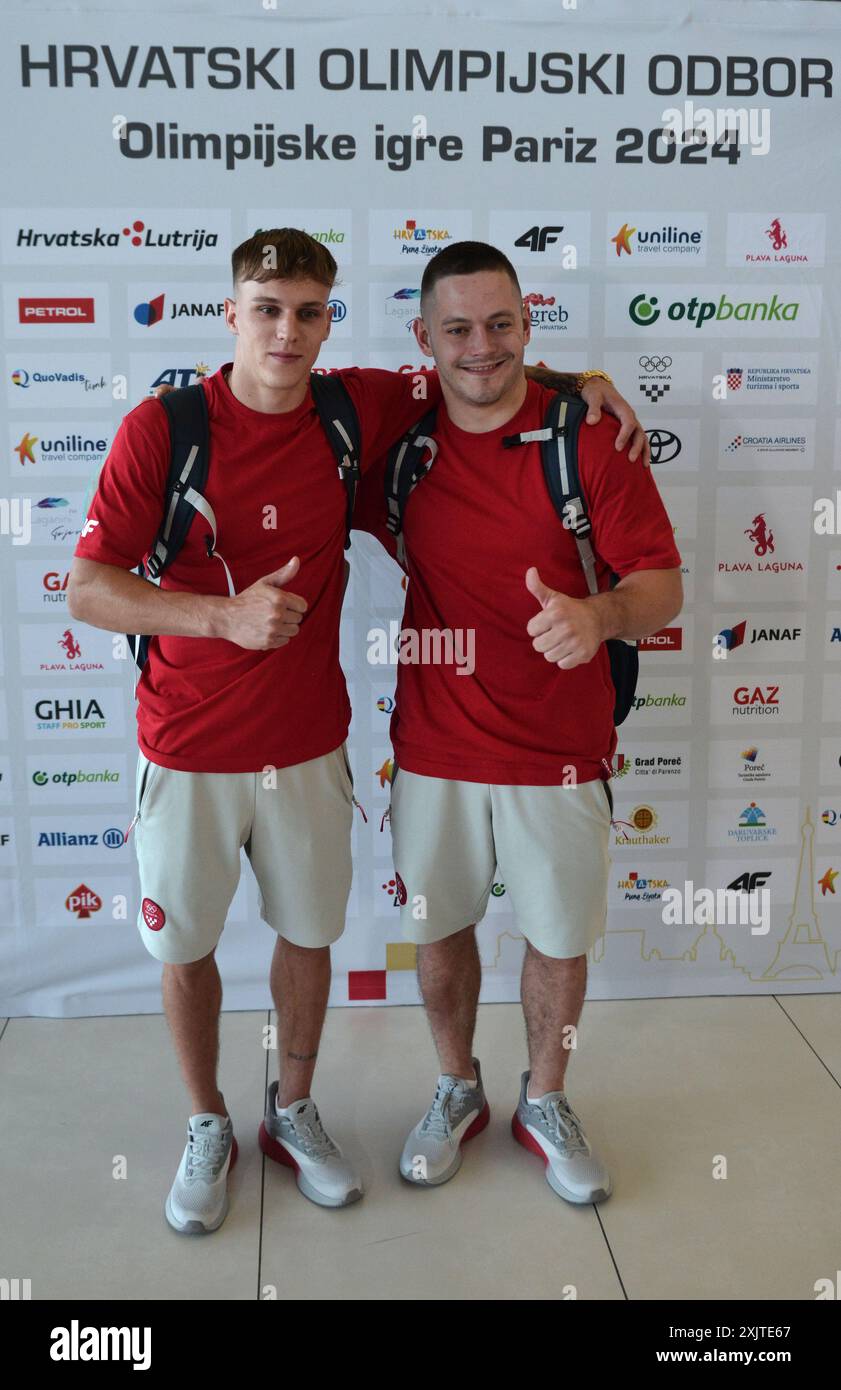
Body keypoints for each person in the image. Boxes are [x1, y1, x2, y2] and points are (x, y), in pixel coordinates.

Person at [67, 227, 648, 1234]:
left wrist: (584, 376)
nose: (286, 332)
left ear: (329, 317)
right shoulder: (162, 428)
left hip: (306, 743)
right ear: (231, 314)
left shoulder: (357, 403)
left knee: (307, 936)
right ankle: (208, 1119)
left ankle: (292, 1110)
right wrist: (220, 616)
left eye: (307, 311)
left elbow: (478, 365)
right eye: (266, 309)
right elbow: (86, 588)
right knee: (187, 945)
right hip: (185, 743)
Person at [352, 241, 683, 1204]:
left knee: (556, 938)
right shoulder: (397, 442)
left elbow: (659, 587)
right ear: (424, 339)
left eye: (501, 325)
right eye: (456, 328)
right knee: (442, 927)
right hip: (435, 745)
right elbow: (278, 398)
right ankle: (458, 1088)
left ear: (526, 324)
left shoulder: (588, 441)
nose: (480, 348)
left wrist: (600, 616)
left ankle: (545, 1098)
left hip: (559, 751)